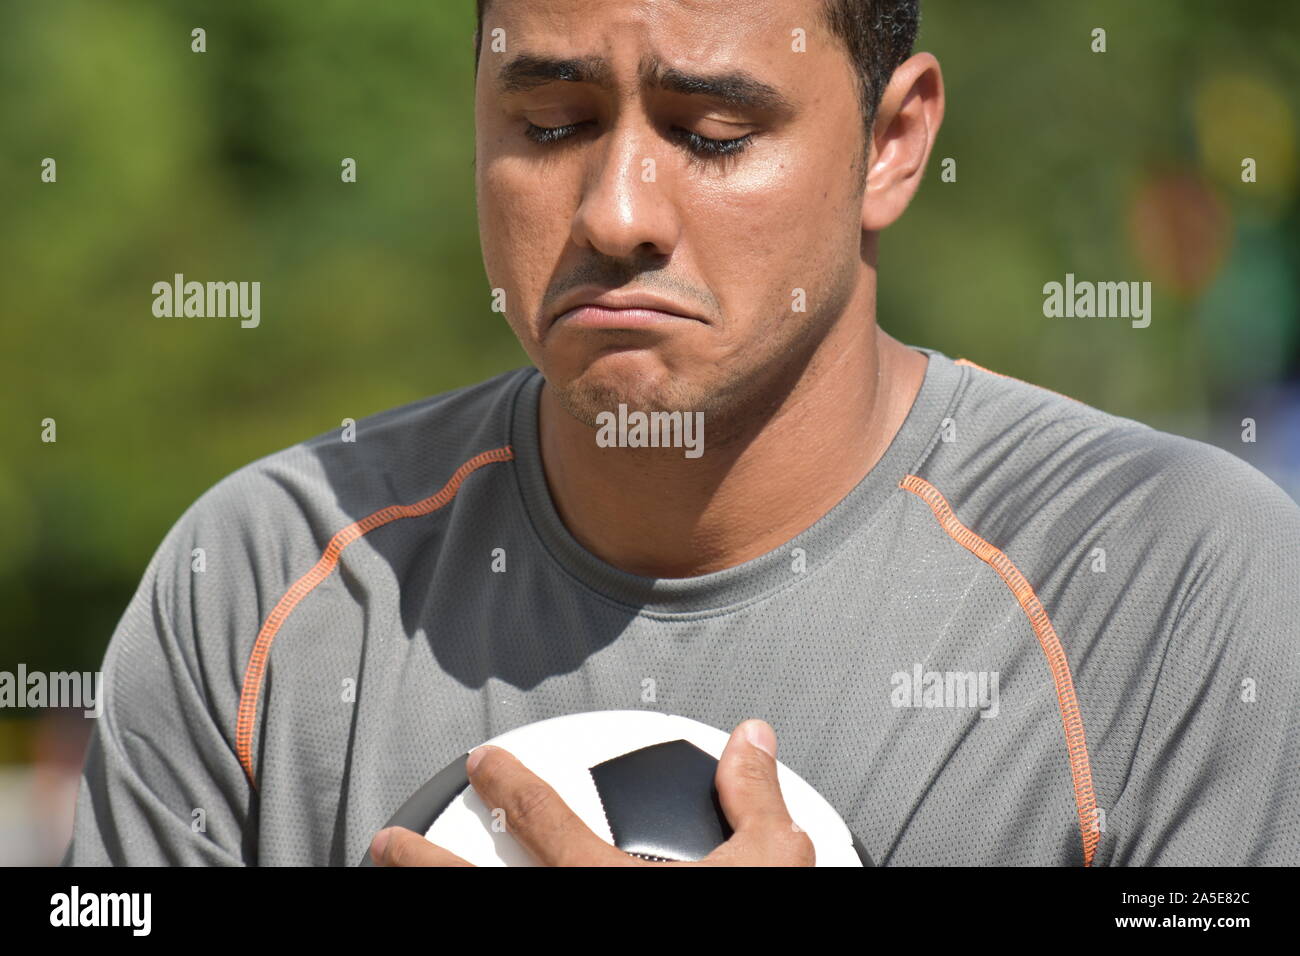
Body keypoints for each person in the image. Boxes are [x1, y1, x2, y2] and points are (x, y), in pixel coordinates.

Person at [65, 0, 1300, 867]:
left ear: (892, 142)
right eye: (549, 122)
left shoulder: (1169, 582)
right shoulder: (254, 585)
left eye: (712, 134)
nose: (614, 211)